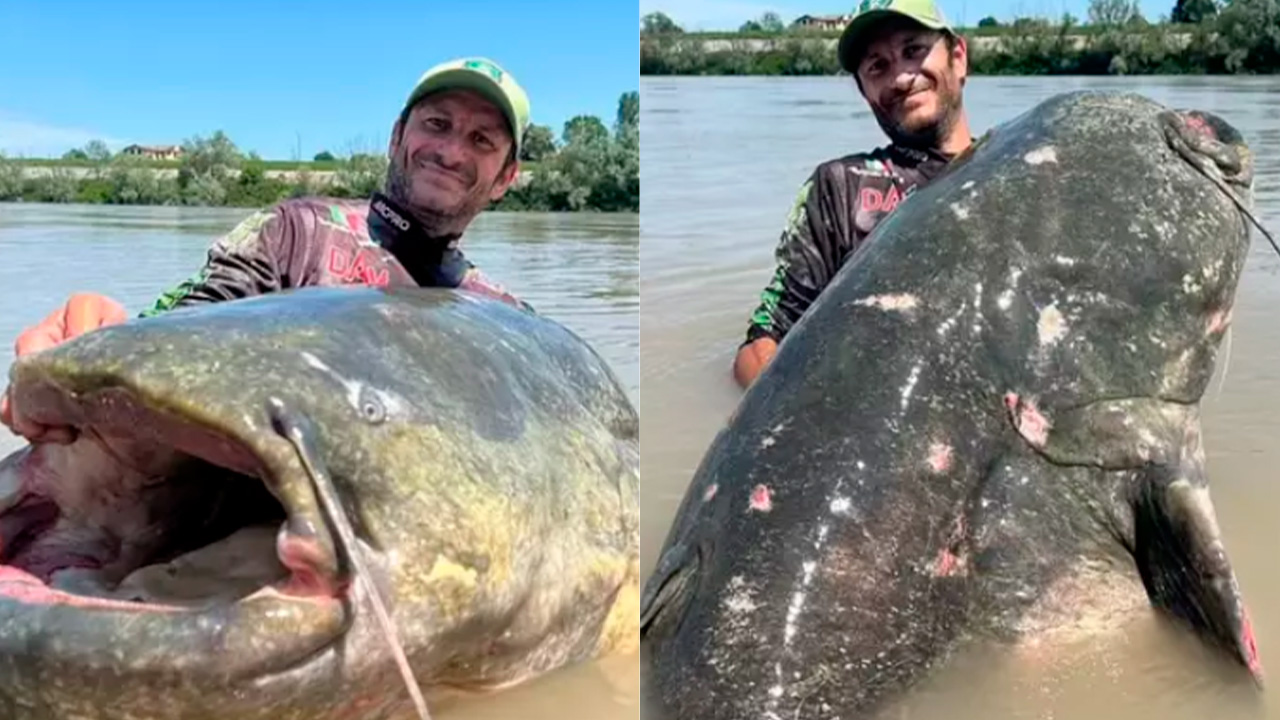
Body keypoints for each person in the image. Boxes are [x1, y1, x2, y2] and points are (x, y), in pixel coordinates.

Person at [2, 56, 533, 443]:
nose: (450, 150)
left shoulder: (508, 322)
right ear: (397, 137)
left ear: (507, 175)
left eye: (481, 140)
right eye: (436, 124)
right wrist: (104, 338)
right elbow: (186, 327)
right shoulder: (294, 232)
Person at [732, 0, 975, 389]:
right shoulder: (840, 188)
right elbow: (761, 343)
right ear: (865, 92)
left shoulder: (1021, 169)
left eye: (913, 50)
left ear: (959, 57)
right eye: (877, 66)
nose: (900, 77)